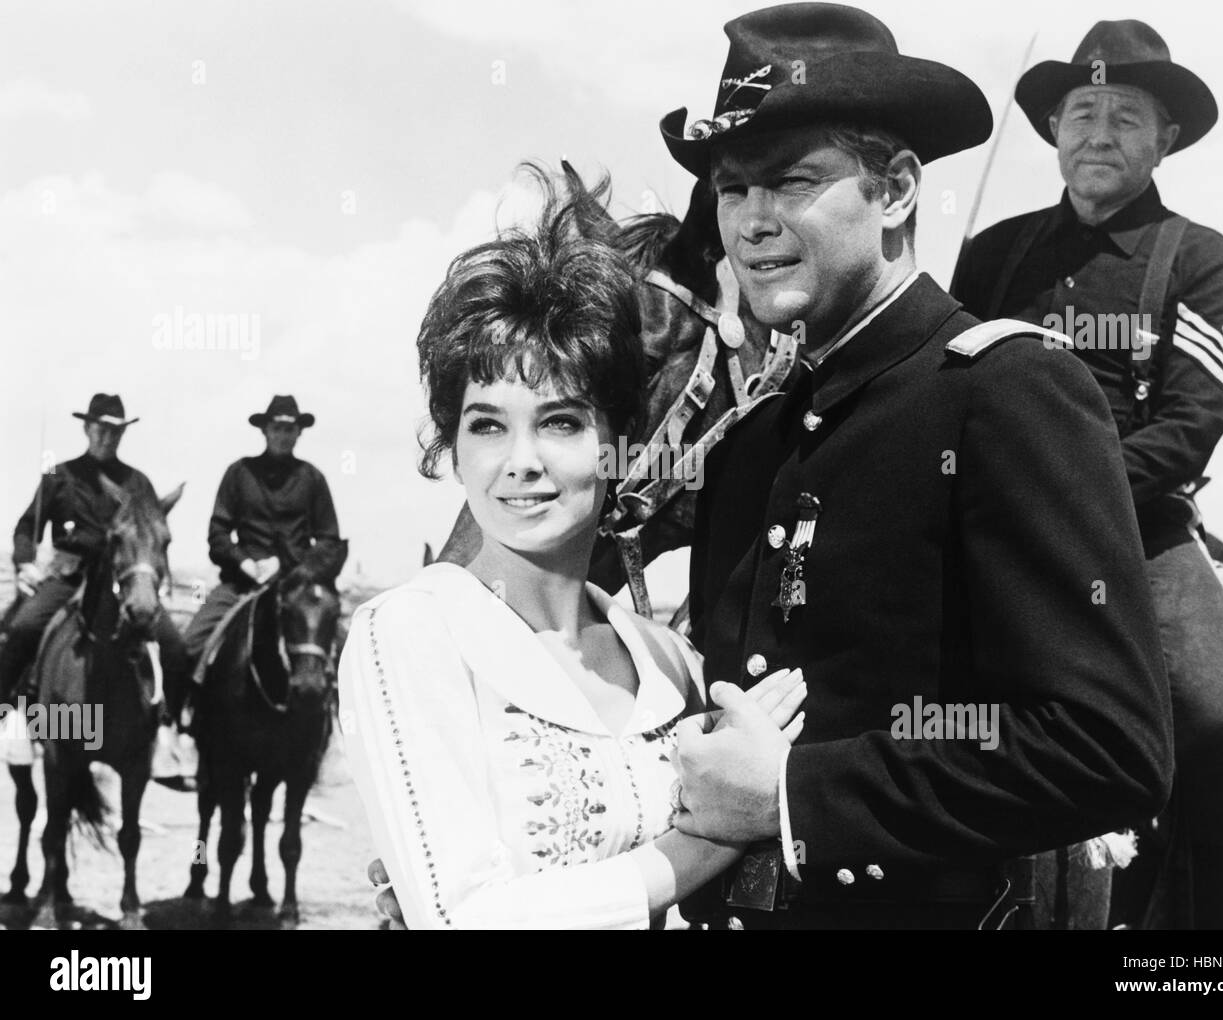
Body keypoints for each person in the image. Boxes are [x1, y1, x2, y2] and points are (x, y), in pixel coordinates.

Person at [654, 4, 1173, 930]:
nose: (753, 221)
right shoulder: (752, 438)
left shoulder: (1008, 392)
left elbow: (1108, 749)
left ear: (895, 190)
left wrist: (795, 795)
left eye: (793, 180)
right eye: (732, 189)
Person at [340, 179, 807, 929]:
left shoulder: (670, 663)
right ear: (453, 449)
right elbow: (466, 919)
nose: (520, 461)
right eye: (487, 426)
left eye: (559, 423)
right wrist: (710, 839)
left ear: (614, 443)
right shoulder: (409, 632)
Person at [950, 19, 1223, 928]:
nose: (1098, 134)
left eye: (1125, 116)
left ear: (1165, 139)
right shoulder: (990, 257)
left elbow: (1192, 424)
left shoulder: (1203, 261)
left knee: (1218, 721)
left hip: (1141, 535)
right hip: (982, 527)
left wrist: (1064, 506)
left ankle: (1221, 956)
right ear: (1053, 130)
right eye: (1081, 112)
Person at [0, 393, 188, 709]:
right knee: (23, 628)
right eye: (101, 428)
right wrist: (25, 564)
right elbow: (26, 527)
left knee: (175, 647)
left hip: (122, 584)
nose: (107, 437)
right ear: (87, 428)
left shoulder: (138, 483)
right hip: (69, 578)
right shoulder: (58, 474)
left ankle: (170, 722)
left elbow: (152, 537)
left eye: (115, 431)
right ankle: (8, 710)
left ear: (124, 433)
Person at [176, 395, 342, 721]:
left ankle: (335, 731)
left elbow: (329, 542)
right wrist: (245, 563)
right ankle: (183, 720)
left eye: (289, 428)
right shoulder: (239, 474)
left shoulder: (313, 479)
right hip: (242, 585)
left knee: (345, 650)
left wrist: (288, 564)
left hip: (297, 589)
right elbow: (218, 534)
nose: (283, 434)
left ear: (299, 433)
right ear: (265, 430)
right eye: (277, 427)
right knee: (190, 644)